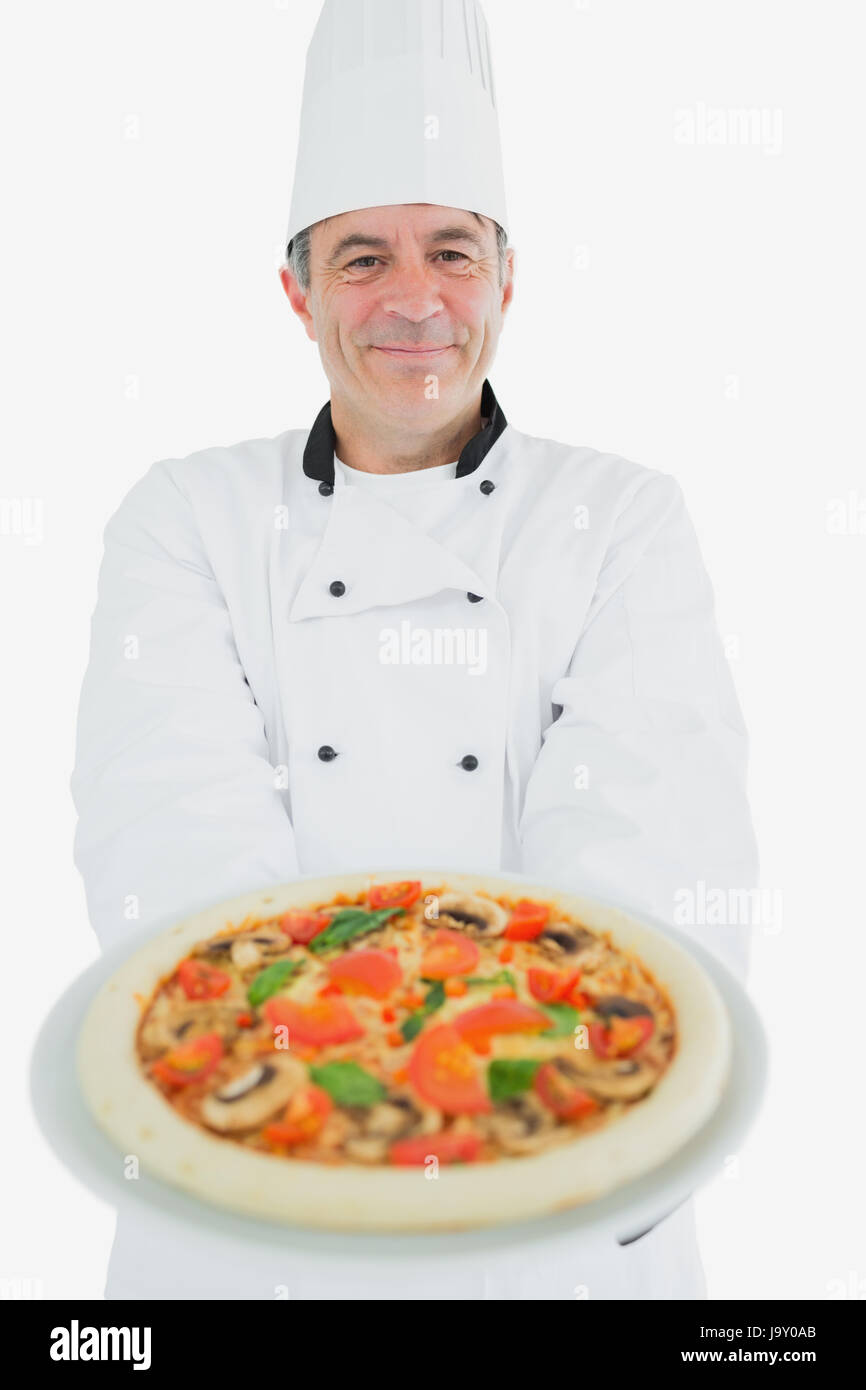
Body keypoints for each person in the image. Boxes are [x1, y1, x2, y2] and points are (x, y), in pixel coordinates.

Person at [70, 0, 759, 1300]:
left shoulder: (617, 515)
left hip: (558, 1189)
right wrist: (312, 1080)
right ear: (295, 290)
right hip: (245, 1203)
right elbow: (169, 832)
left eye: (450, 251)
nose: (413, 302)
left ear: (507, 276)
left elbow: (649, 849)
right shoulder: (188, 513)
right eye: (360, 257)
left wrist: (513, 1087)